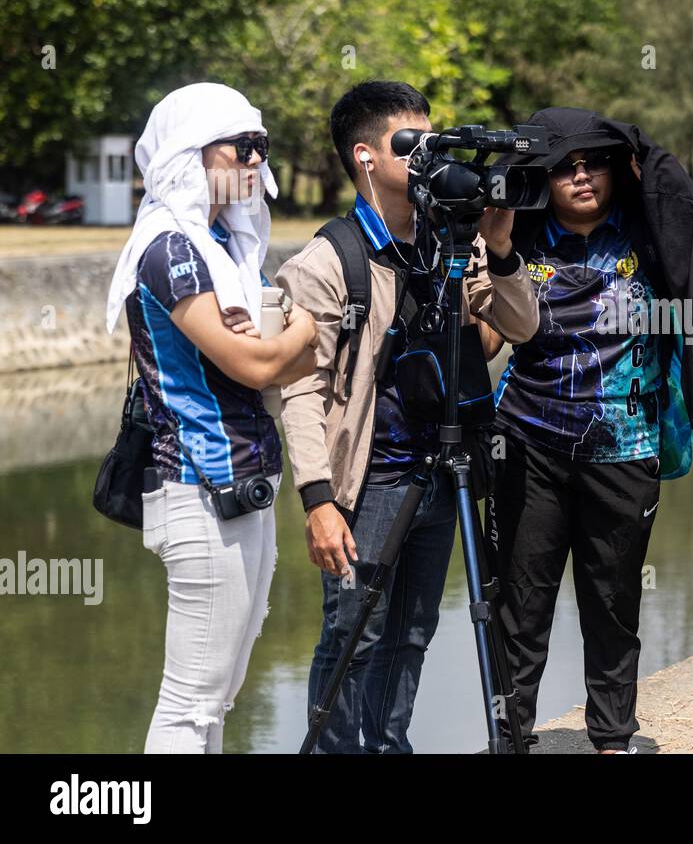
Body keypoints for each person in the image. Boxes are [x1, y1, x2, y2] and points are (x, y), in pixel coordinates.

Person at [275, 80, 539, 753]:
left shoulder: (449, 239)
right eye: (412, 143)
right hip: (366, 486)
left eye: (433, 137)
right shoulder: (328, 260)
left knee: (411, 636)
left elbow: (522, 323)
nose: (429, 155)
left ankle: (389, 746)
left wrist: (501, 250)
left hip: (442, 472)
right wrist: (317, 499)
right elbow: (300, 390)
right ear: (366, 157)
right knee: (351, 636)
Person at [487, 107, 693, 753]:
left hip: (626, 452)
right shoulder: (517, 236)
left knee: (613, 605)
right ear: (542, 177)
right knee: (519, 612)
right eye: (564, 167)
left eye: (593, 163)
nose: (581, 177)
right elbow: (487, 331)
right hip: (528, 446)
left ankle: (611, 739)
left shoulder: (649, 234)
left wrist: (653, 166)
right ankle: (509, 738)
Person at [105, 82, 318, 753]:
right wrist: (305, 329)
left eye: (262, 146)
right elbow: (255, 367)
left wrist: (273, 348)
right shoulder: (172, 249)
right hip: (199, 487)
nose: (256, 161)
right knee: (192, 699)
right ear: (190, 154)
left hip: (242, 484)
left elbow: (258, 359)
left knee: (220, 693)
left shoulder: (219, 245)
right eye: (241, 147)